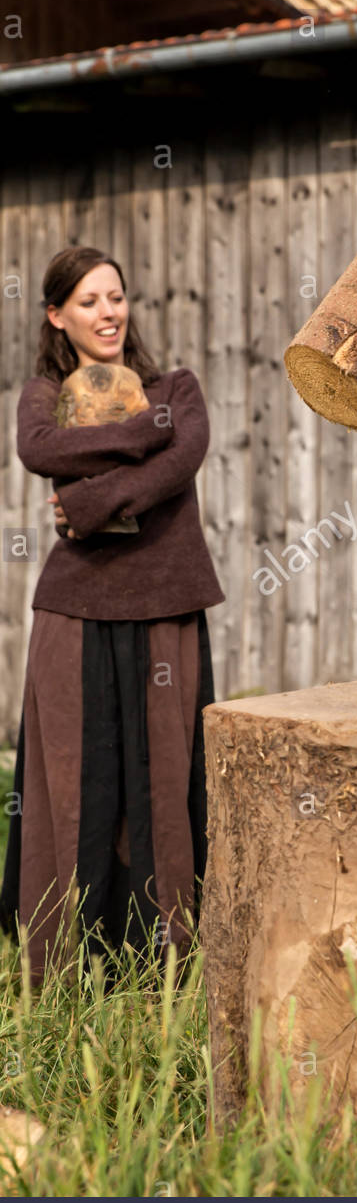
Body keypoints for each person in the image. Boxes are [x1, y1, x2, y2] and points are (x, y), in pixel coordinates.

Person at [0, 246, 225, 982]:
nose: (108, 312)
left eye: (117, 297)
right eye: (90, 301)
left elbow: (183, 453)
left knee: (166, 778)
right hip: (76, 609)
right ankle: (65, 965)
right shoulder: (41, 395)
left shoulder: (175, 387)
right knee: (77, 778)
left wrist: (90, 499)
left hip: (166, 602)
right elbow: (38, 448)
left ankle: (170, 963)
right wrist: (139, 434)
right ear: (56, 316)